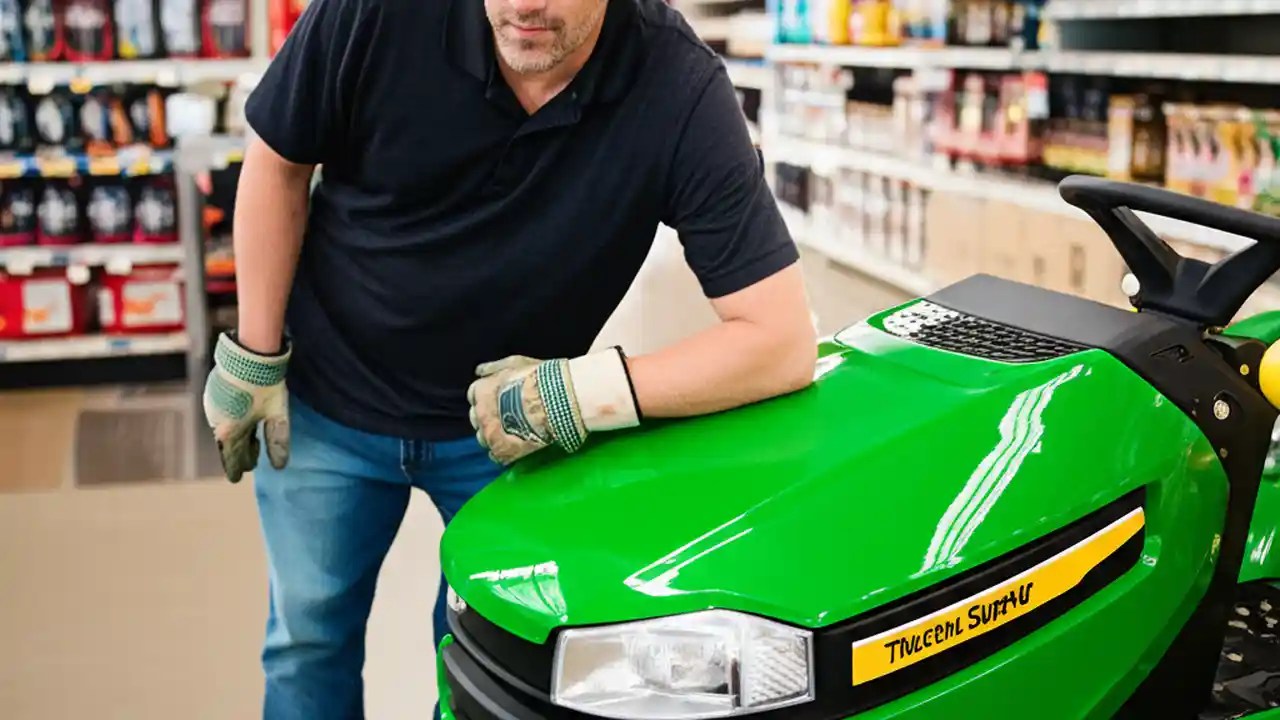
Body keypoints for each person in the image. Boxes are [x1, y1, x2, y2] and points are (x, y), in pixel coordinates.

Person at [202, 0, 818, 716]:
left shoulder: (676, 86)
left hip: (513, 431)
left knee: (483, 654)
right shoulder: (374, 13)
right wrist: (254, 350)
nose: (526, 3)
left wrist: (585, 395)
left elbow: (780, 339)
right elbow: (277, 161)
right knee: (306, 639)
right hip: (328, 400)